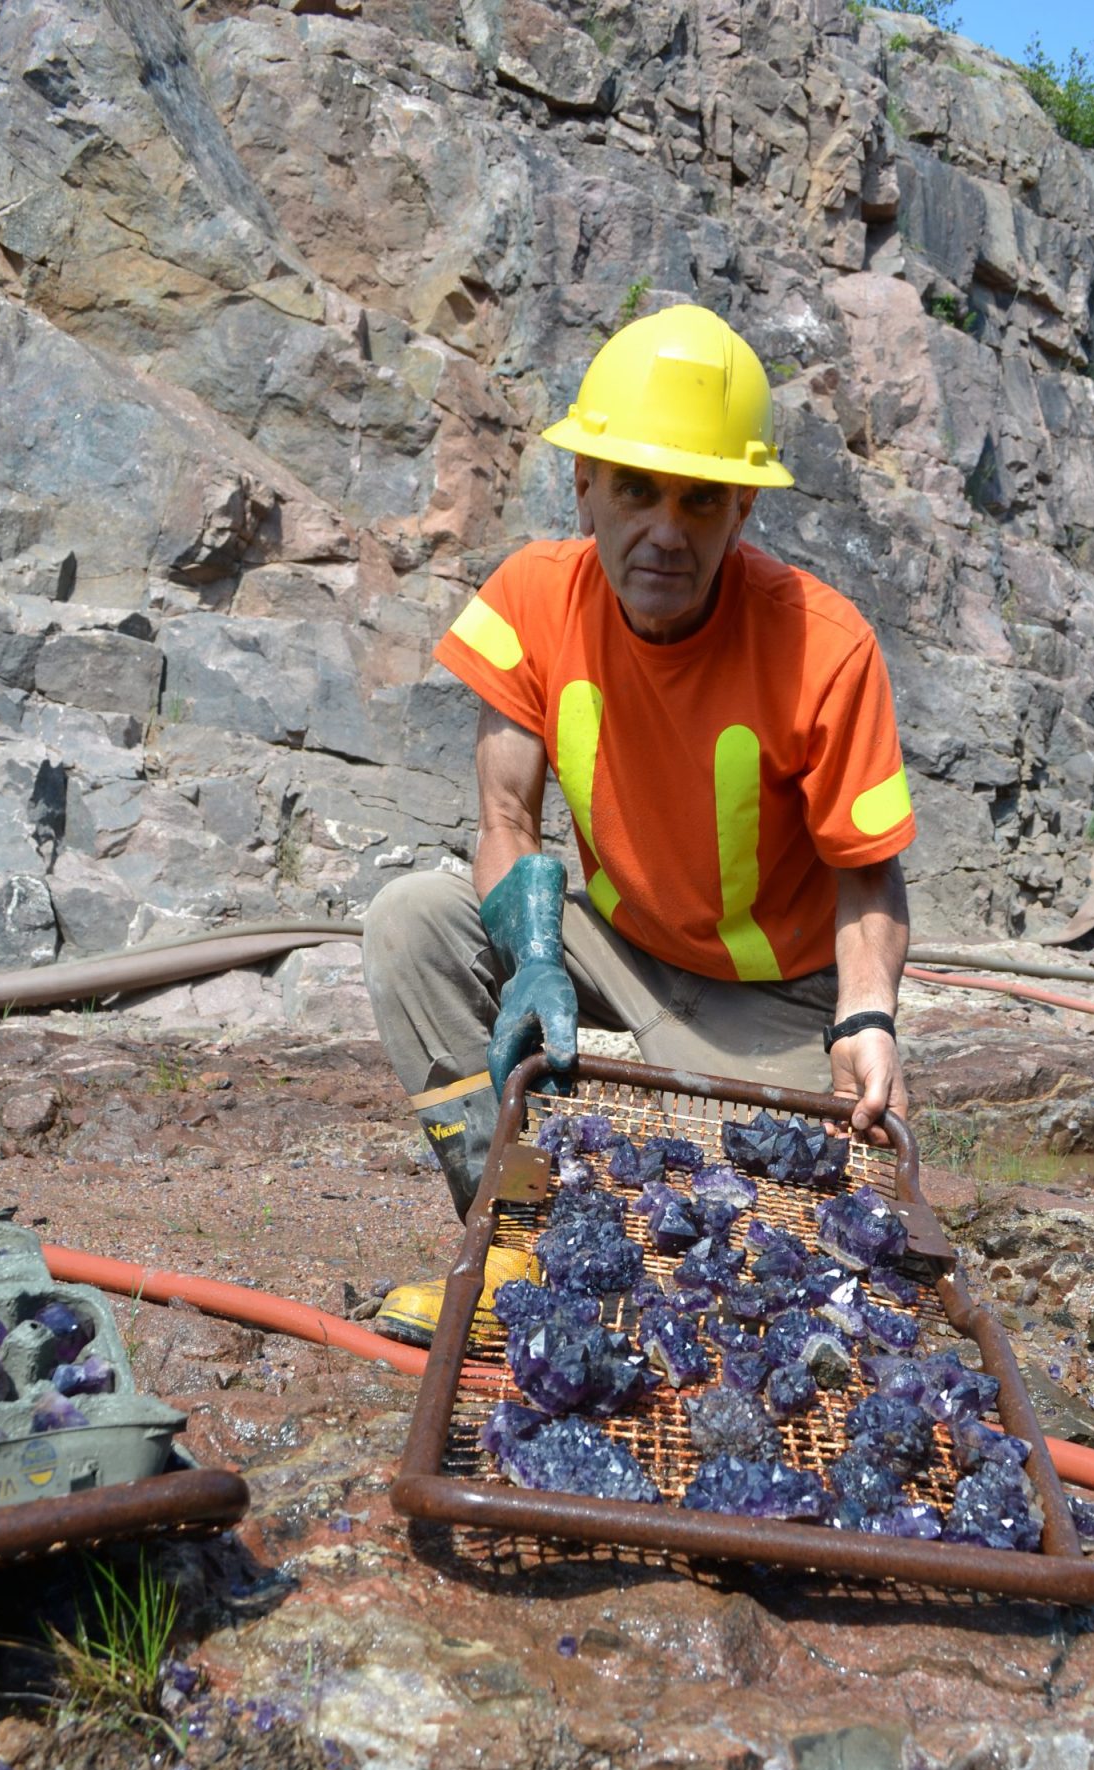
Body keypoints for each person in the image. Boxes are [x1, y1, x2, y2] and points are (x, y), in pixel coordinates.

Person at [362, 304, 915, 1345]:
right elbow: (503, 817)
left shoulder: (825, 646)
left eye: (702, 498)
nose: (667, 528)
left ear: (743, 507)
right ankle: (513, 1236)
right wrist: (532, 955)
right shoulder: (529, 595)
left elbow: (870, 874)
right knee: (412, 920)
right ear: (584, 485)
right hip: (613, 952)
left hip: (776, 1008)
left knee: (768, 1278)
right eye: (636, 489)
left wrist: (866, 1019)